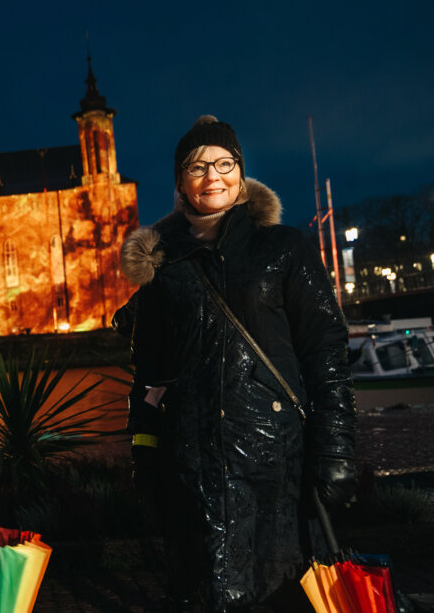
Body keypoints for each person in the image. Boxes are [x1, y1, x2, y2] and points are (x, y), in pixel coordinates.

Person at [115, 116, 356, 612]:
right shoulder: (165, 268)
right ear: (181, 181)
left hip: (276, 466)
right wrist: (143, 449)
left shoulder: (283, 248)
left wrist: (335, 451)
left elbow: (325, 352)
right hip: (191, 468)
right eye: (198, 167)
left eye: (225, 164)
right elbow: (151, 374)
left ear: (242, 175)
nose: (213, 177)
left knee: (277, 594)